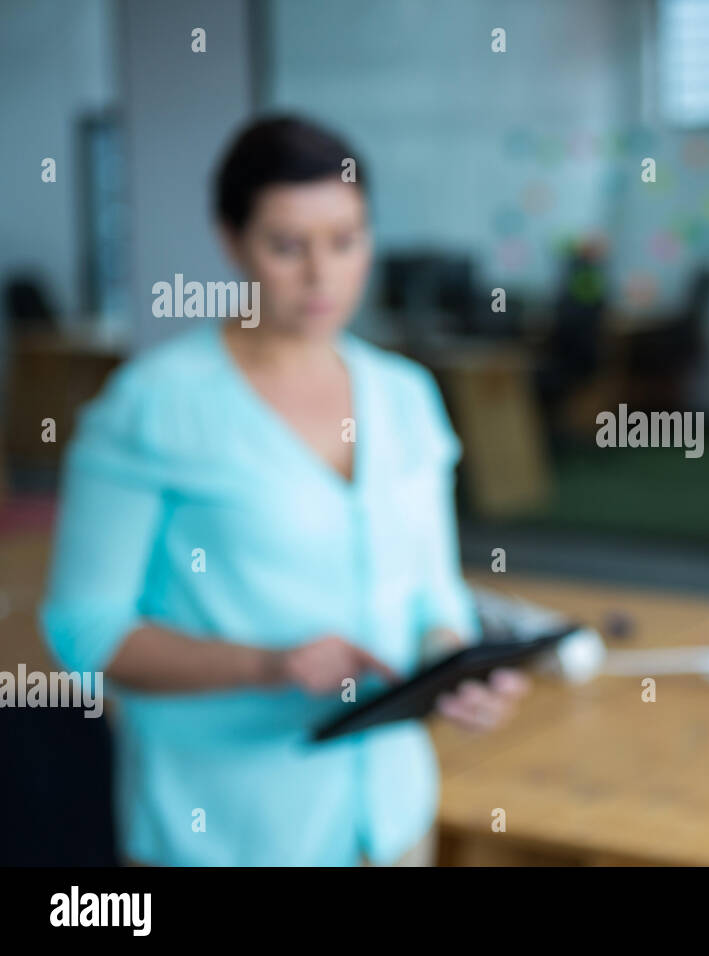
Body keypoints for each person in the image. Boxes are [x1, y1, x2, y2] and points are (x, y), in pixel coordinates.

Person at [40, 114, 530, 866]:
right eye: (286, 245)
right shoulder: (152, 407)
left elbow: (434, 596)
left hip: (393, 820)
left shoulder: (406, 398)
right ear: (231, 240)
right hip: (230, 833)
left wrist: (454, 668)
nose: (322, 275)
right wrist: (263, 667)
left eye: (346, 239)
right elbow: (84, 629)